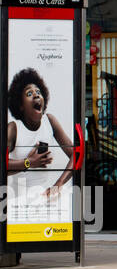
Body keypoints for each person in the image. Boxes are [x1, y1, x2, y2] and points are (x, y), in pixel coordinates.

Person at [6, 68, 77, 203]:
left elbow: (77, 154)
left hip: (46, 199)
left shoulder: (49, 121)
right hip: (17, 200)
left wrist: (58, 184)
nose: (36, 95)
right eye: (29, 93)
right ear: (20, 105)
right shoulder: (13, 128)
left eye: (38, 92)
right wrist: (28, 162)